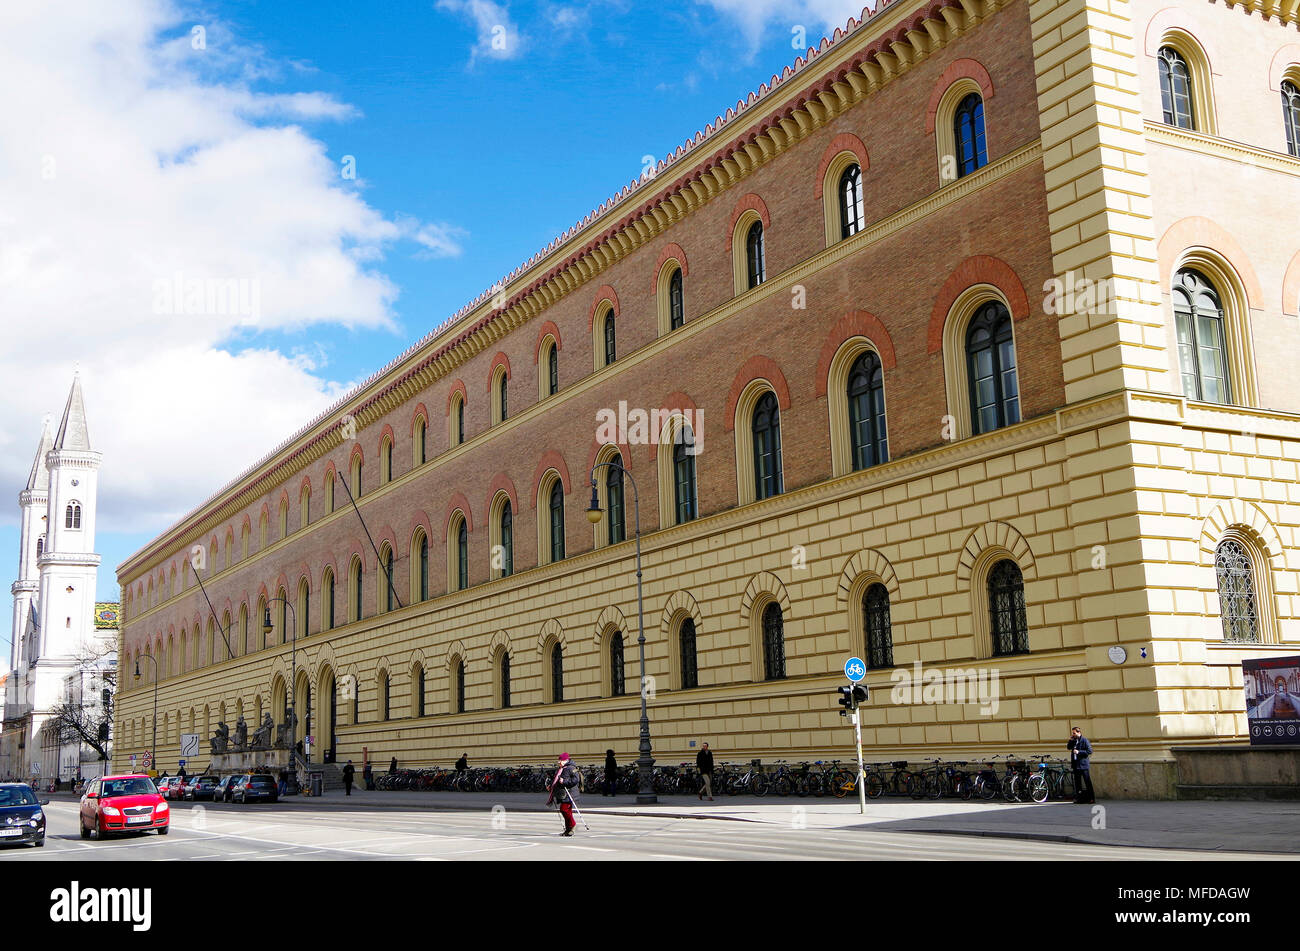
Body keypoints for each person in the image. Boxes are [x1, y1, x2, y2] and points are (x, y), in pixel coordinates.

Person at [546, 753, 580, 836]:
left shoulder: (571, 768)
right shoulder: (561, 768)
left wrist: (564, 782)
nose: (559, 762)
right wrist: (551, 786)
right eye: (559, 760)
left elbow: (576, 779)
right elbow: (556, 780)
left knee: (564, 809)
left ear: (566, 760)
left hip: (570, 793)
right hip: (563, 793)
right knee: (567, 811)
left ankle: (573, 825)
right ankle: (568, 830)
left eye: (561, 760)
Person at [1068, 726, 1095, 804]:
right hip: (1076, 765)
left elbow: (1089, 751)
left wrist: (1079, 752)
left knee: (1087, 782)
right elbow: (1068, 747)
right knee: (1077, 783)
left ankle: (1091, 798)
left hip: (1083, 765)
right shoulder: (1073, 740)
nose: (1073, 734)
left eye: (1074, 733)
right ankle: (1079, 798)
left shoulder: (1084, 740)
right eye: (1072, 733)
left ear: (1079, 732)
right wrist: (1070, 740)